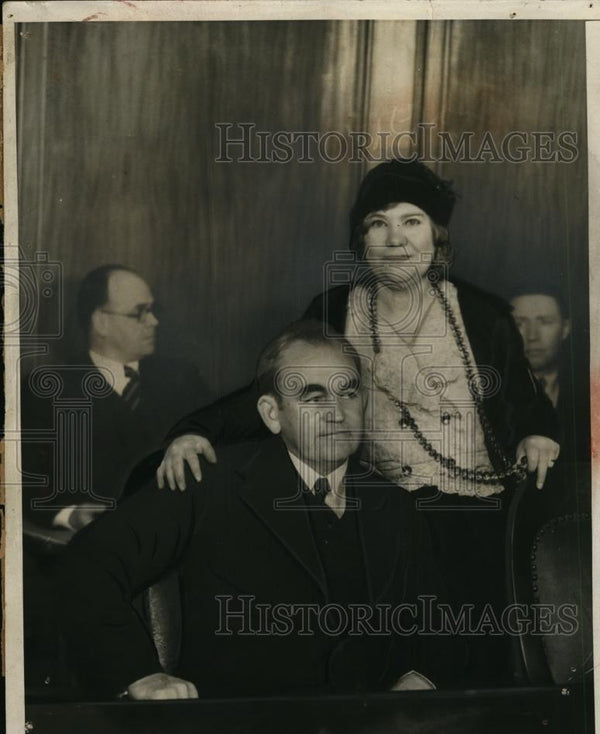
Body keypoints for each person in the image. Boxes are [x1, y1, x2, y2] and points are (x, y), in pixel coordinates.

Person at [155, 160, 559, 685]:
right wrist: (197, 429)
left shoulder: (483, 315)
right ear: (361, 241)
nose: (396, 239)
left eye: (411, 222)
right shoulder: (335, 307)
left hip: (477, 518)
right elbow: (276, 390)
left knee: (476, 661)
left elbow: (526, 401)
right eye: (378, 223)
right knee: (382, 668)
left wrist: (539, 432)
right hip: (376, 515)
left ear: (436, 236)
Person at [57, 321, 438, 701]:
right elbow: (87, 562)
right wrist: (139, 673)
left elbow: (435, 621)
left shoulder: (396, 506)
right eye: (312, 396)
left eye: (348, 393)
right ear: (272, 413)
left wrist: (421, 674)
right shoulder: (207, 483)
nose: (336, 413)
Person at [21, 264, 206, 534]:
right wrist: (70, 515)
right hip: (94, 550)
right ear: (101, 322)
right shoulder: (47, 392)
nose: (154, 321)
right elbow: (23, 485)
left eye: (152, 311)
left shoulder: (184, 378)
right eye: (140, 312)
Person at [508, 283, 590, 515]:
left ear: (565, 328)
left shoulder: (590, 391)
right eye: (519, 324)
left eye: (545, 322)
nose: (532, 336)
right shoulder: (490, 396)